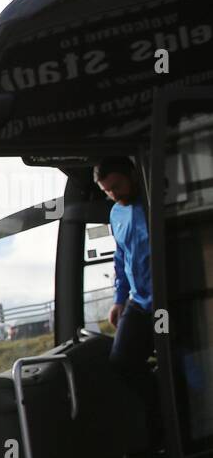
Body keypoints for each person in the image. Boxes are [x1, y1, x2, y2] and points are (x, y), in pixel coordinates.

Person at [94, 157, 156, 408]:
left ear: (132, 174)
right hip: (138, 302)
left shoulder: (153, 204)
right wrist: (119, 300)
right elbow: (121, 257)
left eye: (117, 185)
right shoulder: (116, 212)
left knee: (180, 359)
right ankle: (159, 417)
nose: (113, 194)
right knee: (121, 362)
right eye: (107, 190)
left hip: (164, 301)